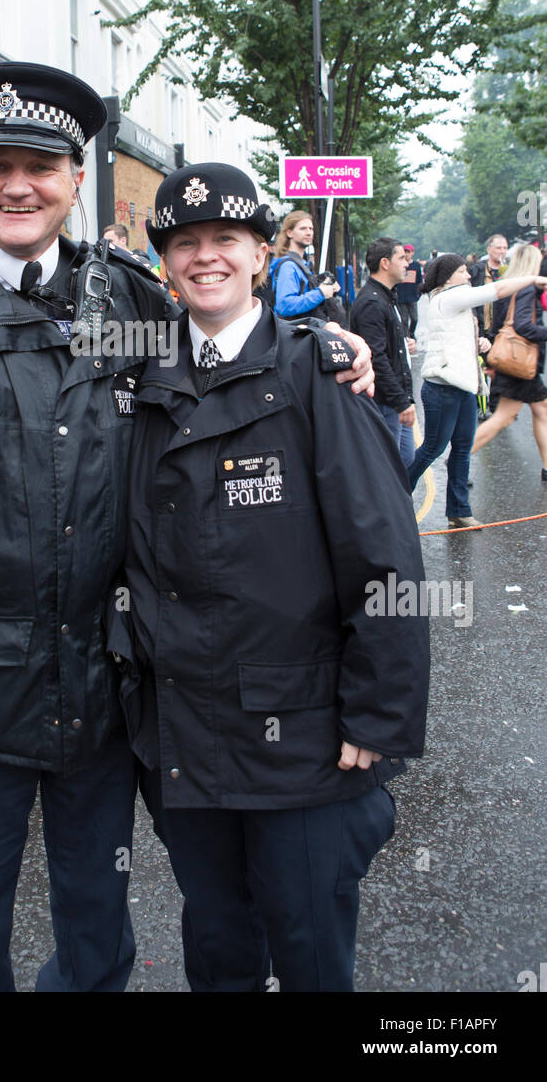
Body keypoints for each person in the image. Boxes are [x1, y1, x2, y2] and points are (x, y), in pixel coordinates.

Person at [0, 68, 375, 994]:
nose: (17, 186)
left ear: (76, 179)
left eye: (39, 166)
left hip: (101, 686)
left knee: (96, 933)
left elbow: (224, 354)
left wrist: (324, 340)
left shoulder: (128, 301)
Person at [108, 162, 430, 993]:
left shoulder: (317, 374)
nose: (205, 257)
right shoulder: (139, 376)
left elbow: (387, 559)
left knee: (311, 948)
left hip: (307, 740)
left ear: (260, 254)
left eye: (226, 240)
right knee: (217, 946)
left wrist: (381, 715)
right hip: (185, 731)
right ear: (166, 264)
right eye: (186, 243)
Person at [407, 254, 547, 527]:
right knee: (432, 449)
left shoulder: (453, 298)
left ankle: (459, 511)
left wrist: (479, 342)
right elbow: (494, 291)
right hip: (442, 389)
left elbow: (453, 336)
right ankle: (396, 498)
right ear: (448, 277)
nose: (469, 275)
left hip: (463, 387)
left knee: (461, 449)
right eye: (462, 271)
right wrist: (531, 278)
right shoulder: (447, 297)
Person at [471, 242, 547, 480]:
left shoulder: (508, 289)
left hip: (517, 364)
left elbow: (496, 325)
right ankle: (460, 461)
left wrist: (492, 360)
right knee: (502, 419)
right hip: (519, 365)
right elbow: (523, 326)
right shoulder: (525, 290)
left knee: (542, 410)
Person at [349, 238, 416, 470]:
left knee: (405, 461)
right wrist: (400, 402)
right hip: (386, 402)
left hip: (394, 399)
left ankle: (398, 506)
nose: (407, 263)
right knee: (391, 466)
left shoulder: (386, 296)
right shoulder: (372, 303)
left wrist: (402, 344)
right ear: (385, 263)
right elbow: (375, 357)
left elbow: (385, 347)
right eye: (401, 258)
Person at [268, 211, 339, 321]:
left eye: (311, 229)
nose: (309, 232)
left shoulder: (302, 264)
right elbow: (285, 306)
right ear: (289, 233)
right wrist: (320, 293)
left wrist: (328, 286)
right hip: (293, 333)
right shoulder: (288, 266)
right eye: (303, 228)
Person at [396, 243, 423, 336]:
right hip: (401, 296)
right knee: (404, 319)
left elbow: (419, 280)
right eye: (405, 252)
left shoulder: (416, 265)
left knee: (414, 318)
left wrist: (419, 293)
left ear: (412, 253)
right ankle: (406, 336)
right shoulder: (399, 265)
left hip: (412, 296)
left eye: (409, 252)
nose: (407, 254)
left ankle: (411, 333)